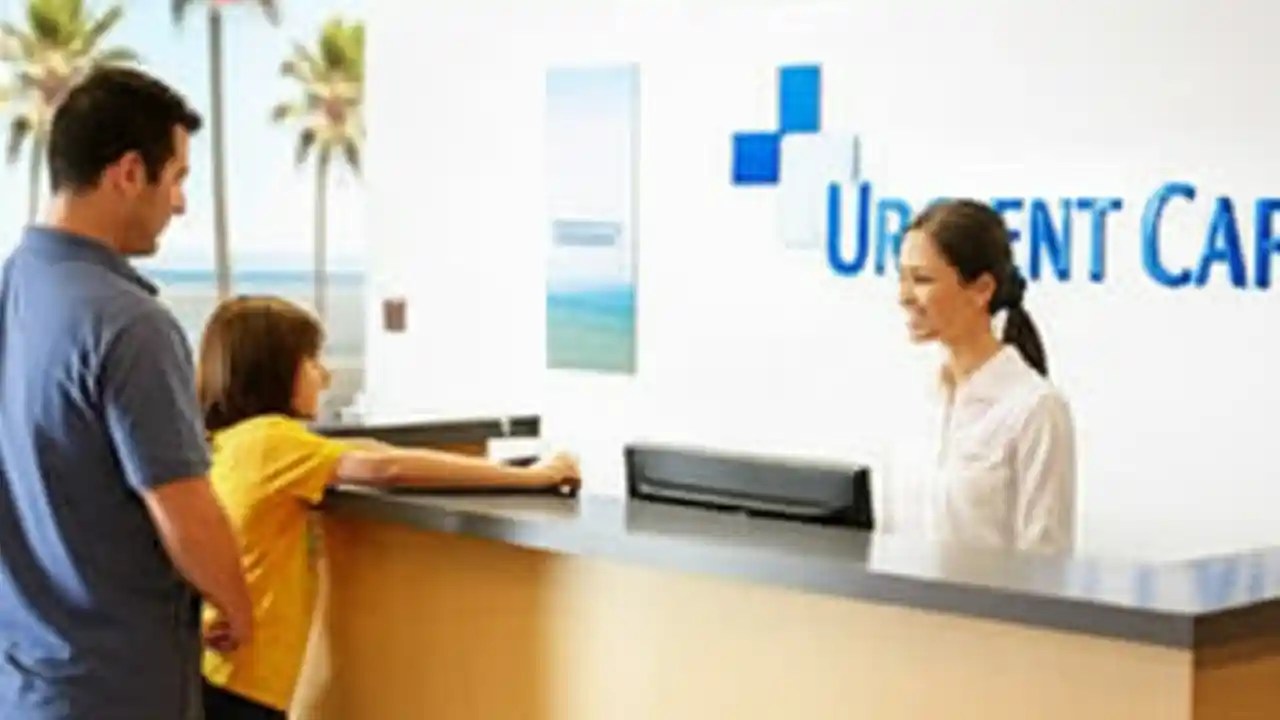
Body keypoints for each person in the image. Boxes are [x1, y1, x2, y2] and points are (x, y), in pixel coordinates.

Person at [0, 68, 254, 718]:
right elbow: (182, 504)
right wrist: (235, 601)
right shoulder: (129, 322)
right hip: (120, 690)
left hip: (26, 686)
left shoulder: (14, 289)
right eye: (178, 179)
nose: (180, 204)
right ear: (129, 173)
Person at [195, 295, 580, 719]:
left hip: (224, 672)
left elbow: (371, 451)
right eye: (311, 360)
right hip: (245, 684)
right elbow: (386, 467)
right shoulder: (271, 441)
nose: (325, 374)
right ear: (272, 370)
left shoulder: (229, 444)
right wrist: (534, 477)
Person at [886, 198, 1076, 553]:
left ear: (981, 289)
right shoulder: (921, 399)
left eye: (922, 279)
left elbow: (1045, 563)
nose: (904, 296)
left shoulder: (1035, 409)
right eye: (902, 278)